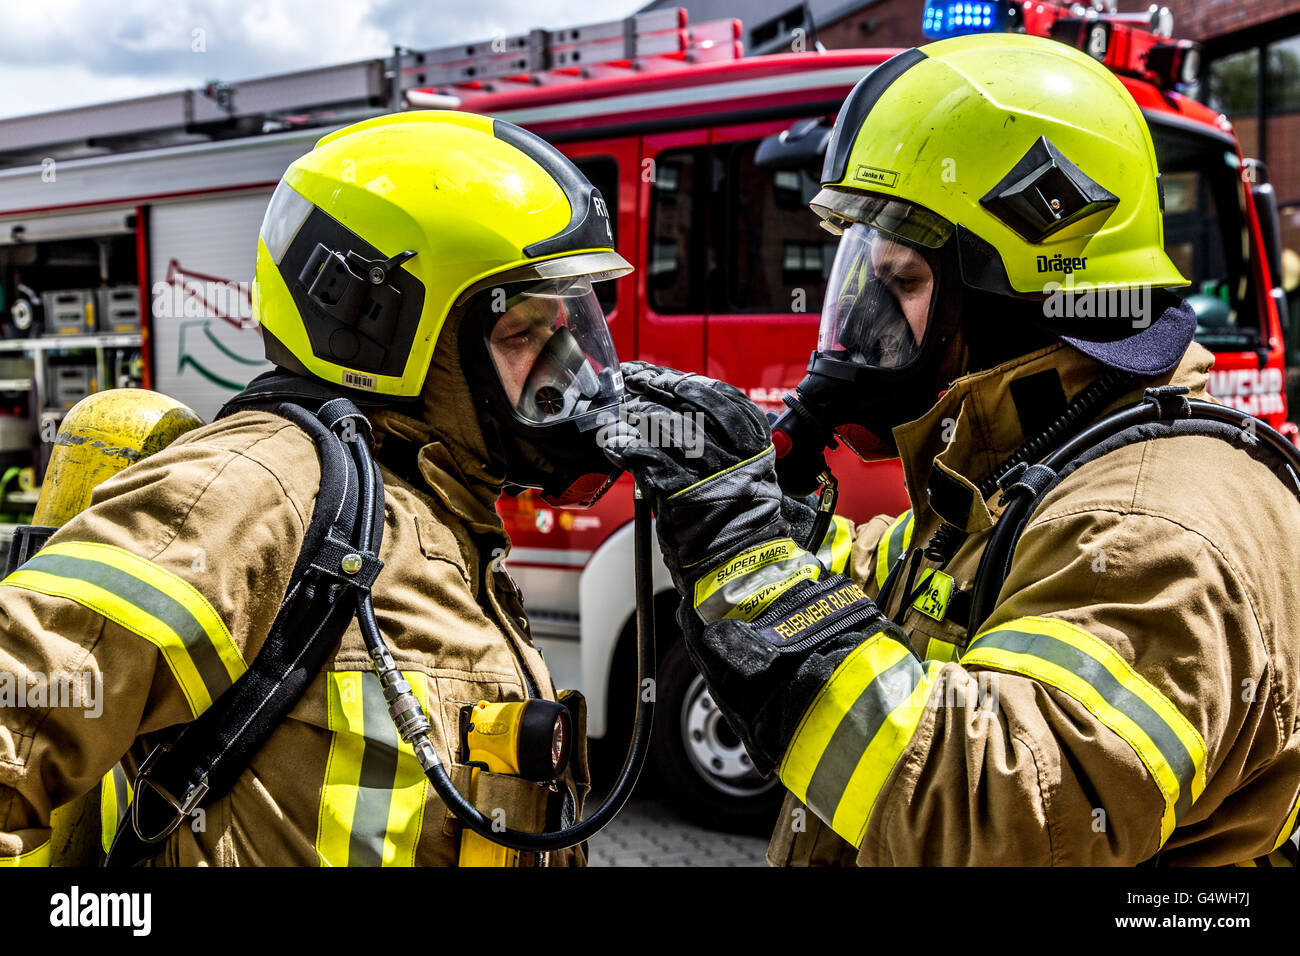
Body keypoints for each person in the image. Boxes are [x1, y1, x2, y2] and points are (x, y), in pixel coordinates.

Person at [604, 33, 1300, 866]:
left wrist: (745, 562)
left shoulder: (1145, 529)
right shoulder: (1028, 476)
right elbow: (896, 587)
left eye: (900, 283)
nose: (861, 325)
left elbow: (991, 817)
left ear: (1017, 290)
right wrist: (755, 505)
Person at [0, 110, 630, 867]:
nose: (567, 372)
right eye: (522, 335)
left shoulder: (437, 509)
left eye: (570, 330)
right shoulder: (254, 489)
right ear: (386, 332)